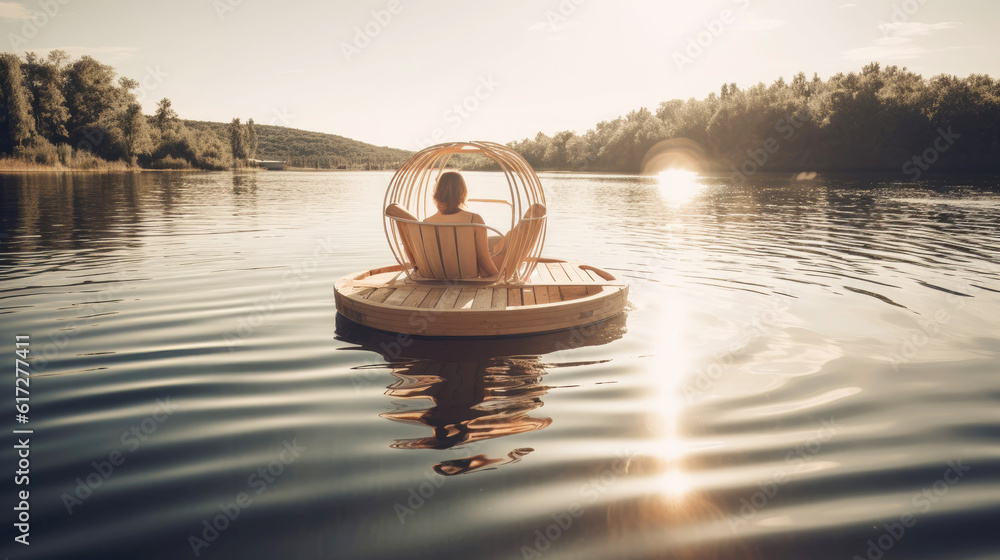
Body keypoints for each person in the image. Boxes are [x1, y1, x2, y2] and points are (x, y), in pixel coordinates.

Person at [423, 171, 500, 276]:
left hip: (440, 276)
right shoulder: (474, 220)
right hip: (468, 276)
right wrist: (497, 277)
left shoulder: (426, 223)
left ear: (438, 192)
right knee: (509, 245)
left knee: (500, 240)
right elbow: (483, 259)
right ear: (462, 192)